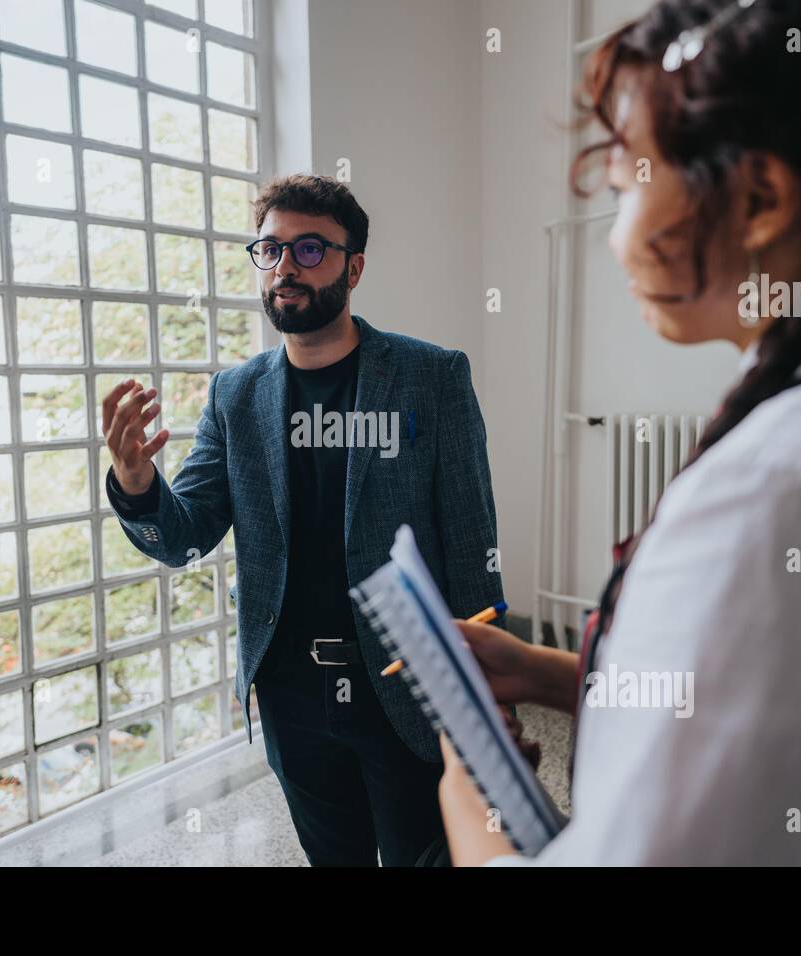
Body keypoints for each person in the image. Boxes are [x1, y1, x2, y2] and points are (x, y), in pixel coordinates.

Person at [438, 0, 801, 865]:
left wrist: (473, 799)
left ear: (761, 197)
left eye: (628, 184)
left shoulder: (790, 484)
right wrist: (553, 674)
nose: (618, 233)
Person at [102, 174, 503, 865]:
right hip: (291, 692)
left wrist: (494, 701)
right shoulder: (237, 393)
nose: (285, 266)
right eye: (271, 249)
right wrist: (138, 484)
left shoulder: (430, 378)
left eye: (310, 249)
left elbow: (473, 549)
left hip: (407, 688)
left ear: (355, 266)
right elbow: (186, 532)